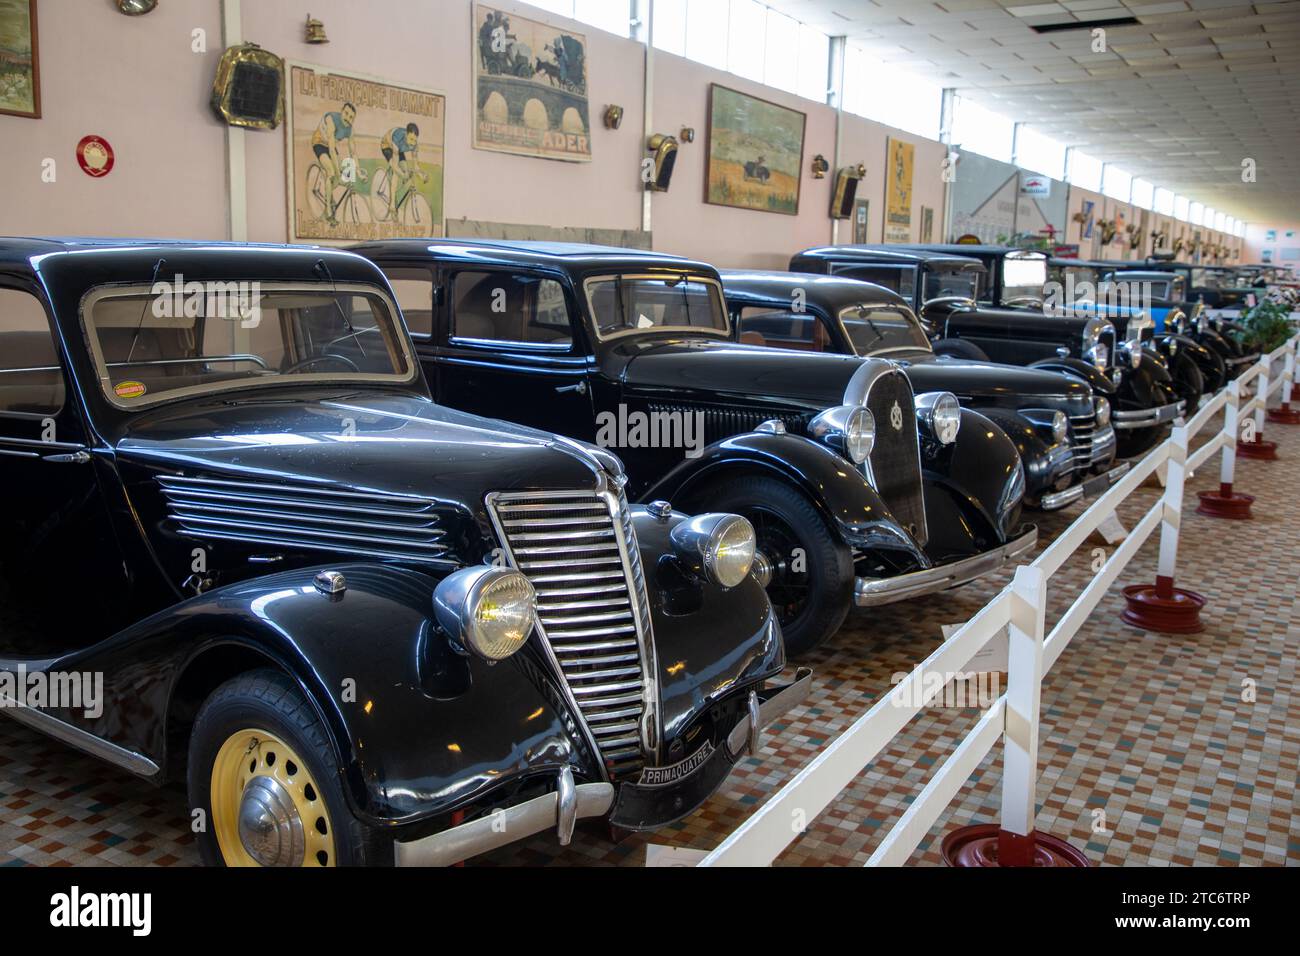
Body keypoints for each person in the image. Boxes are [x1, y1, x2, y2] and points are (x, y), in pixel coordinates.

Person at [310, 102, 364, 225]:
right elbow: (331, 149)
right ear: (341, 111)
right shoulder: (331, 120)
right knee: (332, 172)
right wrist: (337, 171)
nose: (347, 118)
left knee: (341, 175)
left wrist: (358, 172)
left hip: (331, 146)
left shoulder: (350, 130)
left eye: (351, 117)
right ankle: (328, 209)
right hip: (320, 143)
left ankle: (328, 192)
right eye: (346, 114)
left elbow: (353, 152)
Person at [379, 123, 430, 220]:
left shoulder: (414, 144)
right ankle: (392, 204)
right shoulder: (397, 138)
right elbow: (395, 166)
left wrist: (421, 175)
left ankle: (396, 190)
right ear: (406, 135)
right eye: (411, 139)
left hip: (399, 149)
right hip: (387, 146)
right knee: (396, 174)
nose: (412, 143)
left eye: (415, 140)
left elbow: (416, 166)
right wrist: (402, 175)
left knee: (406, 171)